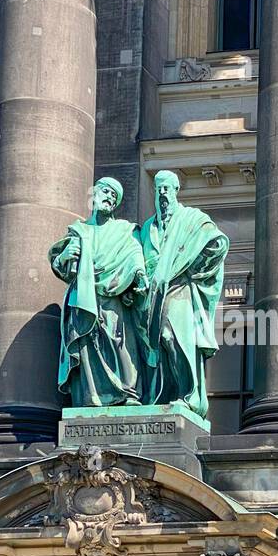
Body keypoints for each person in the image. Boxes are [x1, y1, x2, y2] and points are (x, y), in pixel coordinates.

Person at [49, 177, 149, 408]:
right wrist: (65, 257)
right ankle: (92, 399)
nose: (109, 198)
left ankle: (127, 393)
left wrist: (140, 276)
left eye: (114, 196)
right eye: (105, 192)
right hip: (83, 297)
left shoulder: (126, 230)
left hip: (114, 295)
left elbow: (135, 254)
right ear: (93, 195)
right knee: (86, 345)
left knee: (120, 342)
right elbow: (63, 264)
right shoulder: (79, 230)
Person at [136, 170, 229, 418]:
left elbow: (218, 243)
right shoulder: (147, 228)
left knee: (171, 336)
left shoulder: (192, 219)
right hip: (151, 296)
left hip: (179, 289)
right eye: (159, 189)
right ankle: (164, 395)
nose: (163, 193)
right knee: (154, 344)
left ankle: (189, 395)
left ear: (177, 190)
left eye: (167, 188)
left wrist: (191, 266)